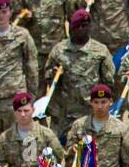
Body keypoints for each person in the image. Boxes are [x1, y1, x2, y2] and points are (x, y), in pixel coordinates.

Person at [42, 9, 113, 139]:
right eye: (78, 26)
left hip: (90, 113)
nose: (81, 29)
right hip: (64, 114)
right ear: (71, 28)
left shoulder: (100, 51)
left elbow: (109, 81)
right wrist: (53, 74)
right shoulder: (59, 50)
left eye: (85, 25)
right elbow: (47, 76)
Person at [0, 0, 39, 149]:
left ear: (10, 13)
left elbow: (31, 67)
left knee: (20, 143)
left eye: (4, 12)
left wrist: (31, 98)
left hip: (15, 100)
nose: (1, 16)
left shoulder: (22, 35)